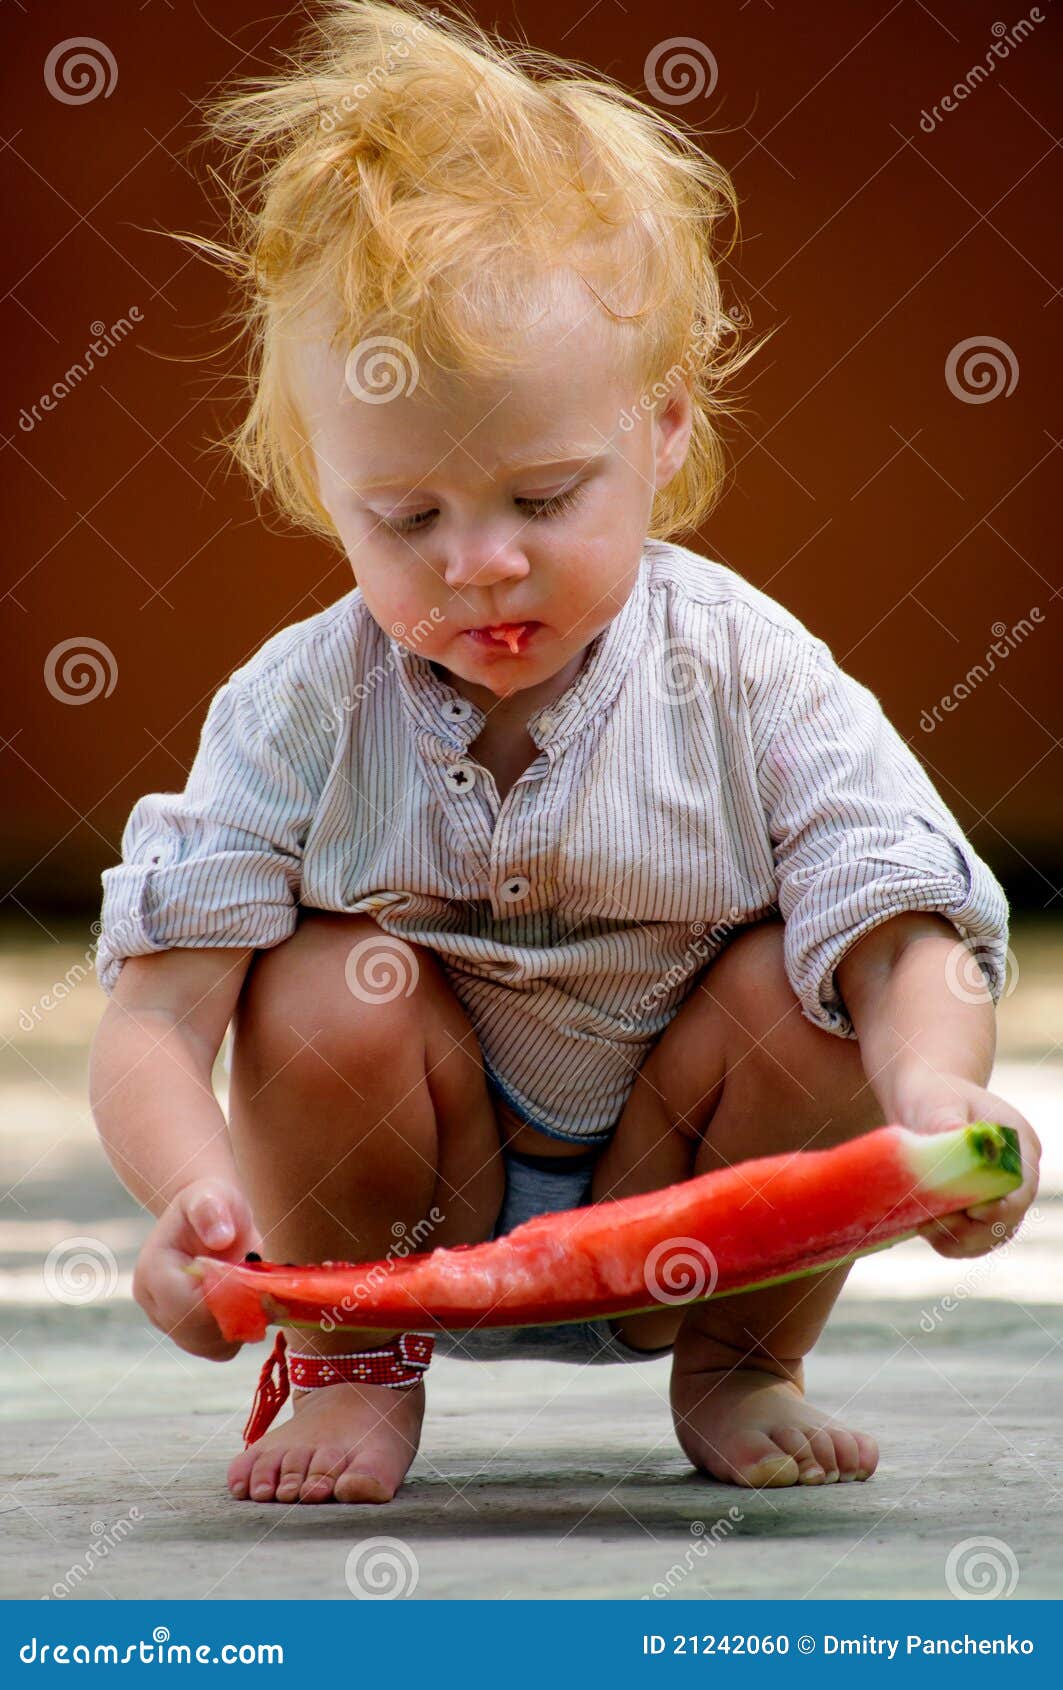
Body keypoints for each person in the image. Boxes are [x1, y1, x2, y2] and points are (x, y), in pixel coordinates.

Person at [88, 0, 1039, 1506]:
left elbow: (902, 914)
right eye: (408, 517)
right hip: (421, 1190)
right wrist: (191, 1201)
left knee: (811, 992)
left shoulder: (741, 667)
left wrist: (936, 1097)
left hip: (694, 1189)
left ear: (662, 429)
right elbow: (156, 1012)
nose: (481, 563)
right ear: (322, 484)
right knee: (322, 987)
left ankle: (743, 1360)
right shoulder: (301, 703)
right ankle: (349, 1360)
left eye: (542, 498)